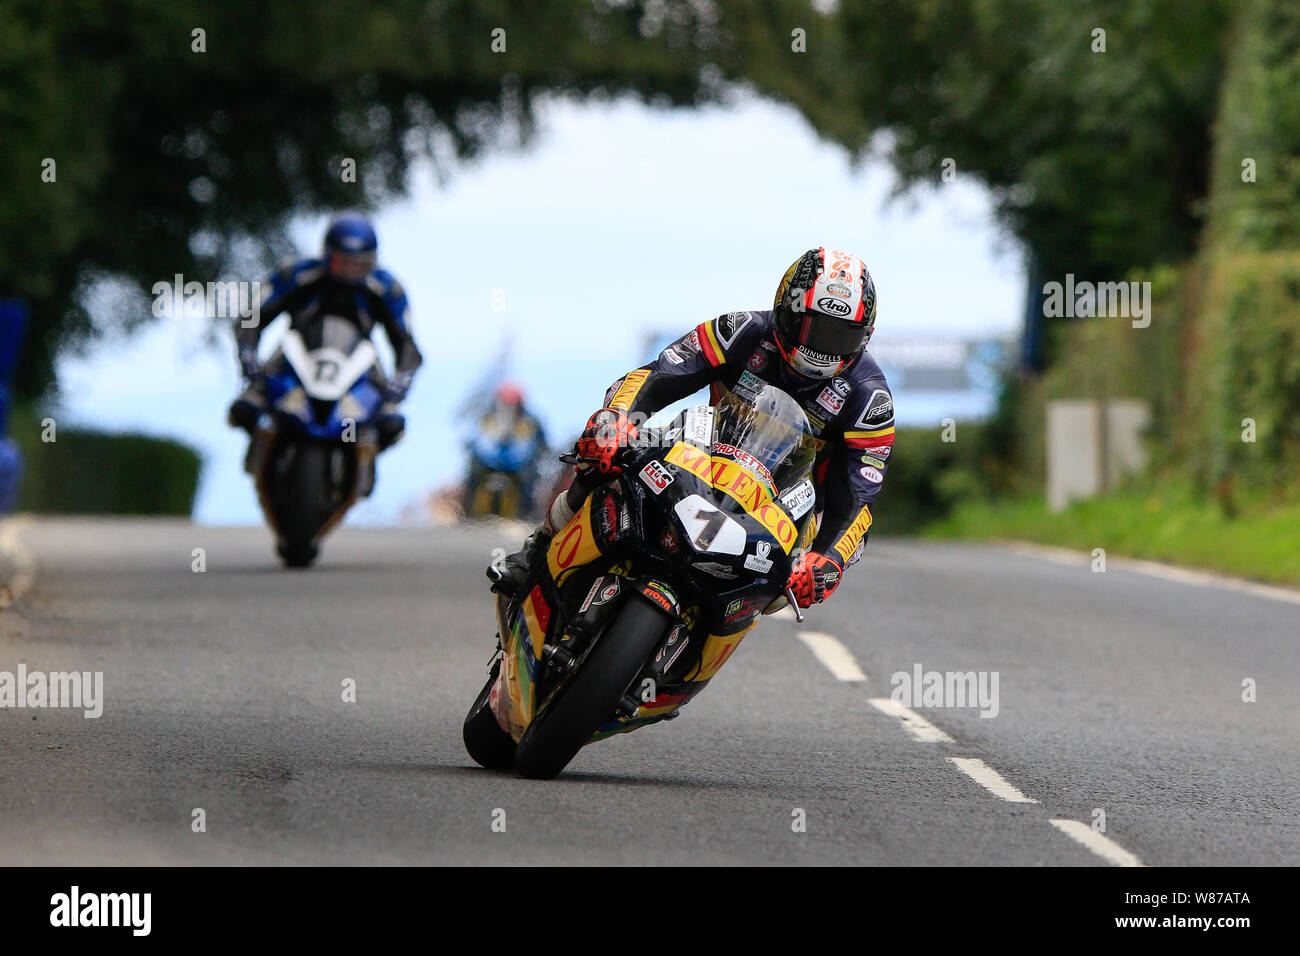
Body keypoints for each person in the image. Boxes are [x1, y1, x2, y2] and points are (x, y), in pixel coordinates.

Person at [489, 247, 894, 609]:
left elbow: (859, 499)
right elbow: (657, 375)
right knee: (604, 459)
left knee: (782, 592)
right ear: (785, 310)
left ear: (865, 336)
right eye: (814, 329)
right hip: (702, 456)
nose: (822, 347)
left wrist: (830, 559)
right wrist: (616, 419)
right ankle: (538, 551)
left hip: (782, 506)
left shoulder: (869, 399)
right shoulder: (739, 329)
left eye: (842, 335)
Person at [227, 211, 422, 449]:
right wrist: (248, 356)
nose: (349, 271)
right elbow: (251, 317)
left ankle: (362, 463)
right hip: (293, 364)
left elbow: (407, 345)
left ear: (371, 262)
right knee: (245, 409)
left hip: (358, 371)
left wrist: (400, 382)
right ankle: (263, 447)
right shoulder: (295, 274)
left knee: (391, 424)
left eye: (358, 265)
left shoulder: (387, 289)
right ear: (327, 255)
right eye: (342, 263)